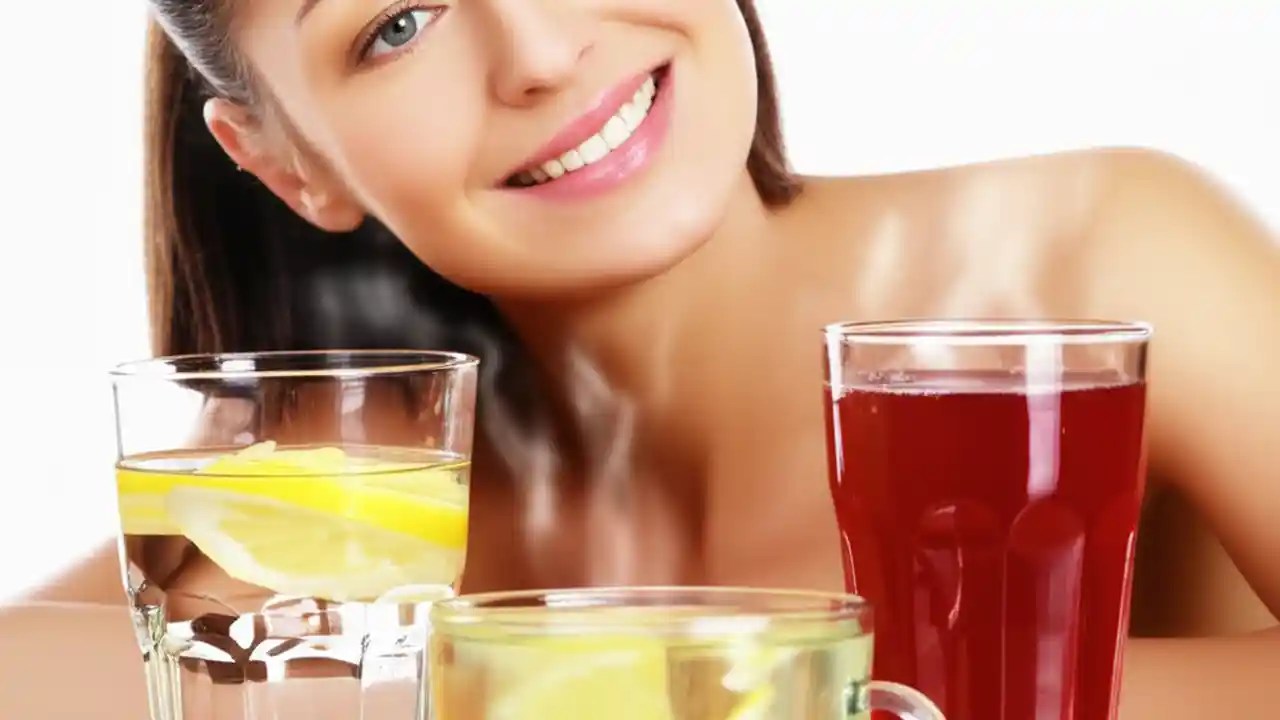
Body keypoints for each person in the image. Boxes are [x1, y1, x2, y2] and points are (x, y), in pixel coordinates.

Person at [3, 1, 1277, 717]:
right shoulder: (371, 485)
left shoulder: (1088, 267)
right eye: (398, 24)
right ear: (287, 166)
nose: (540, 52)